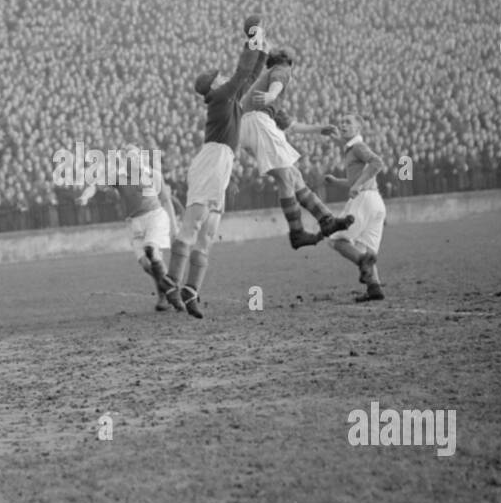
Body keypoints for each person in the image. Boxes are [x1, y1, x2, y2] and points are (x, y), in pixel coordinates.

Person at [164, 16, 267, 319]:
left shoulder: (227, 97)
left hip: (221, 162)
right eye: (218, 76)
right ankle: (171, 282)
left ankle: (190, 290)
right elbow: (244, 71)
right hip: (212, 160)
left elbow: (251, 74)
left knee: (208, 232)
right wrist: (253, 38)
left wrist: (261, 44)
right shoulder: (222, 96)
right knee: (193, 223)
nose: (223, 76)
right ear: (214, 85)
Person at [239, 43, 353, 249]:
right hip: (256, 123)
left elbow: (292, 126)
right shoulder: (281, 70)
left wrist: (320, 129)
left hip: (248, 126)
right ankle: (297, 232)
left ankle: (326, 220)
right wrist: (272, 95)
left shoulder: (265, 97)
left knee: (294, 176)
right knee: (286, 178)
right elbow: (277, 84)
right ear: (289, 62)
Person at [77, 145, 181, 311]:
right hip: (134, 223)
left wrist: (174, 227)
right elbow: (95, 186)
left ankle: (170, 295)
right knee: (147, 265)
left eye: (137, 157)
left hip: (154, 217)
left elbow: (166, 200)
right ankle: (167, 292)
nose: (136, 160)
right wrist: (85, 197)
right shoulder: (119, 177)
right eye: (131, 158)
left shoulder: (153, 174)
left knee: (152, 252)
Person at [320, 113, 387, 301]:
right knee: (365, 248)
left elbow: (377, 163)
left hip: (364, 199)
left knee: (335, 240)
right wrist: (336, 182)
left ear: (358, 128)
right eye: (341, 122)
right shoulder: (350, 149)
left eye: (348, 122)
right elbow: (354, 180)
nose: (342, 124)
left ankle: (362, 263)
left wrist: (357, 186)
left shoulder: (357, 147)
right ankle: (374, 288)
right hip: (376, 201)